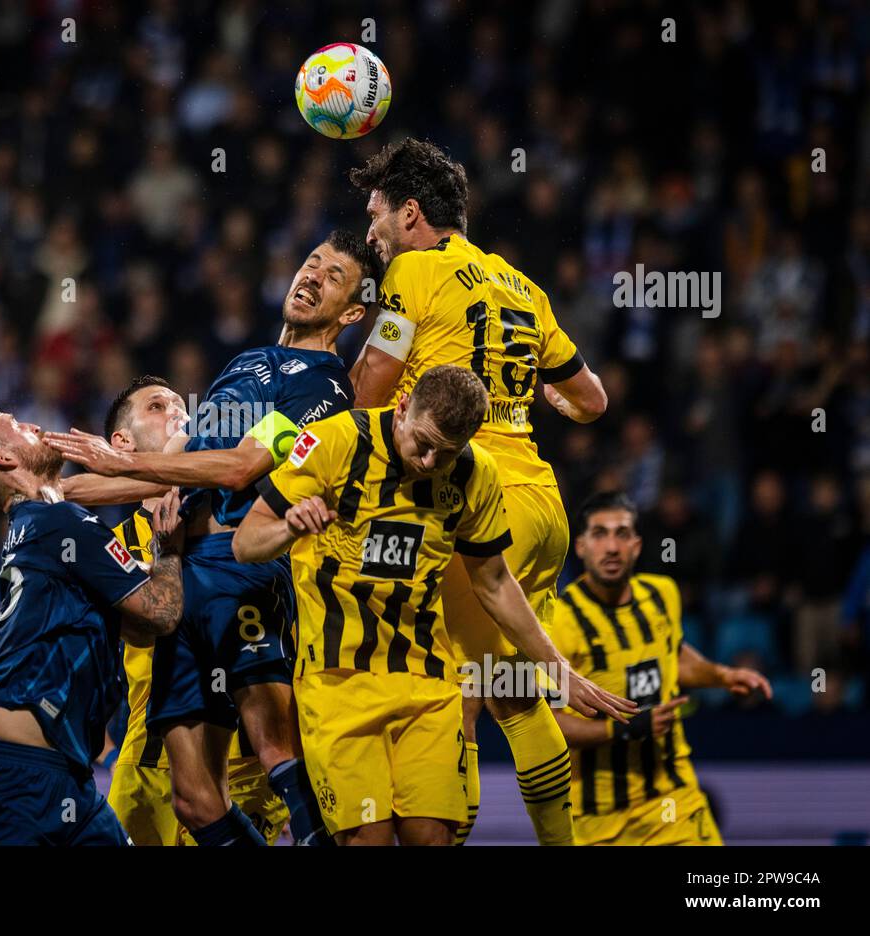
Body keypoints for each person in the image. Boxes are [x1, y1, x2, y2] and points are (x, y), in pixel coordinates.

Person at [47, 230, 381, 845]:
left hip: (241, 566)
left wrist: (123, 466)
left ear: (354, 311)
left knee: (275, 746)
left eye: (335, 276)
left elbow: (238, 467)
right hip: (181, 581)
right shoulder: (245, 364)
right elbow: (169, 469)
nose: (312, 277)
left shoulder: (321, 387)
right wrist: (42, 492)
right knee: (197, 800)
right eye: (312, 263)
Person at [232, 365, 635, 845]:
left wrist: (559, 671)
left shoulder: (475, 472)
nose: (427, 461)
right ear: (402, 407)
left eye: (445, 452)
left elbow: (495, 584)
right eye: (422, 442)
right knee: (371, 841)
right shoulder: (332, 442)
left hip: (427, 685)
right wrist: (289, 529)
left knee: (432, 837)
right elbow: (245, 543)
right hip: (338, 687)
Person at [348, 138, 609, 844]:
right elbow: (591, 399)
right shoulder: (521, 284)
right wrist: (546, 405)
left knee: (500, 699)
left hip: (474, 502)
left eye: (374, 217)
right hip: (543, 508)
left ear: (410, 215)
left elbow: (369, 388)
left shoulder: (416, 271)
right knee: (483, 692)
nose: (369, 234)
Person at [0, 406, 185, 845]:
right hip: (6, 782)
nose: (33, 425)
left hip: (66, 778)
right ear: (3, 459)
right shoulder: (59, 523)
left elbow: (137, 628)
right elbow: (161, 614)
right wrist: (169, 549)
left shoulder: (38, 524)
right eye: (16, 427)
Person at [101, 375, 289, 844]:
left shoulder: (251, 526)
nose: (180, 414)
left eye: (183, 408)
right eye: (158, 407)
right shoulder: (106, 546)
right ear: (122, 443)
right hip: (146, 764)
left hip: (245, 767)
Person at [552, 491, 772, 845]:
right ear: (580, 547)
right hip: (599, 818)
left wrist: (722, 676)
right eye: (600, 534)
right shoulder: (560, 621)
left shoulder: (662, 594)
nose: (611, 547)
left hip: (673, 800)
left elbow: (674, 653)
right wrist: (626, 728)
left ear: (637, 545)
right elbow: (551, 724)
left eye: (621, 534)